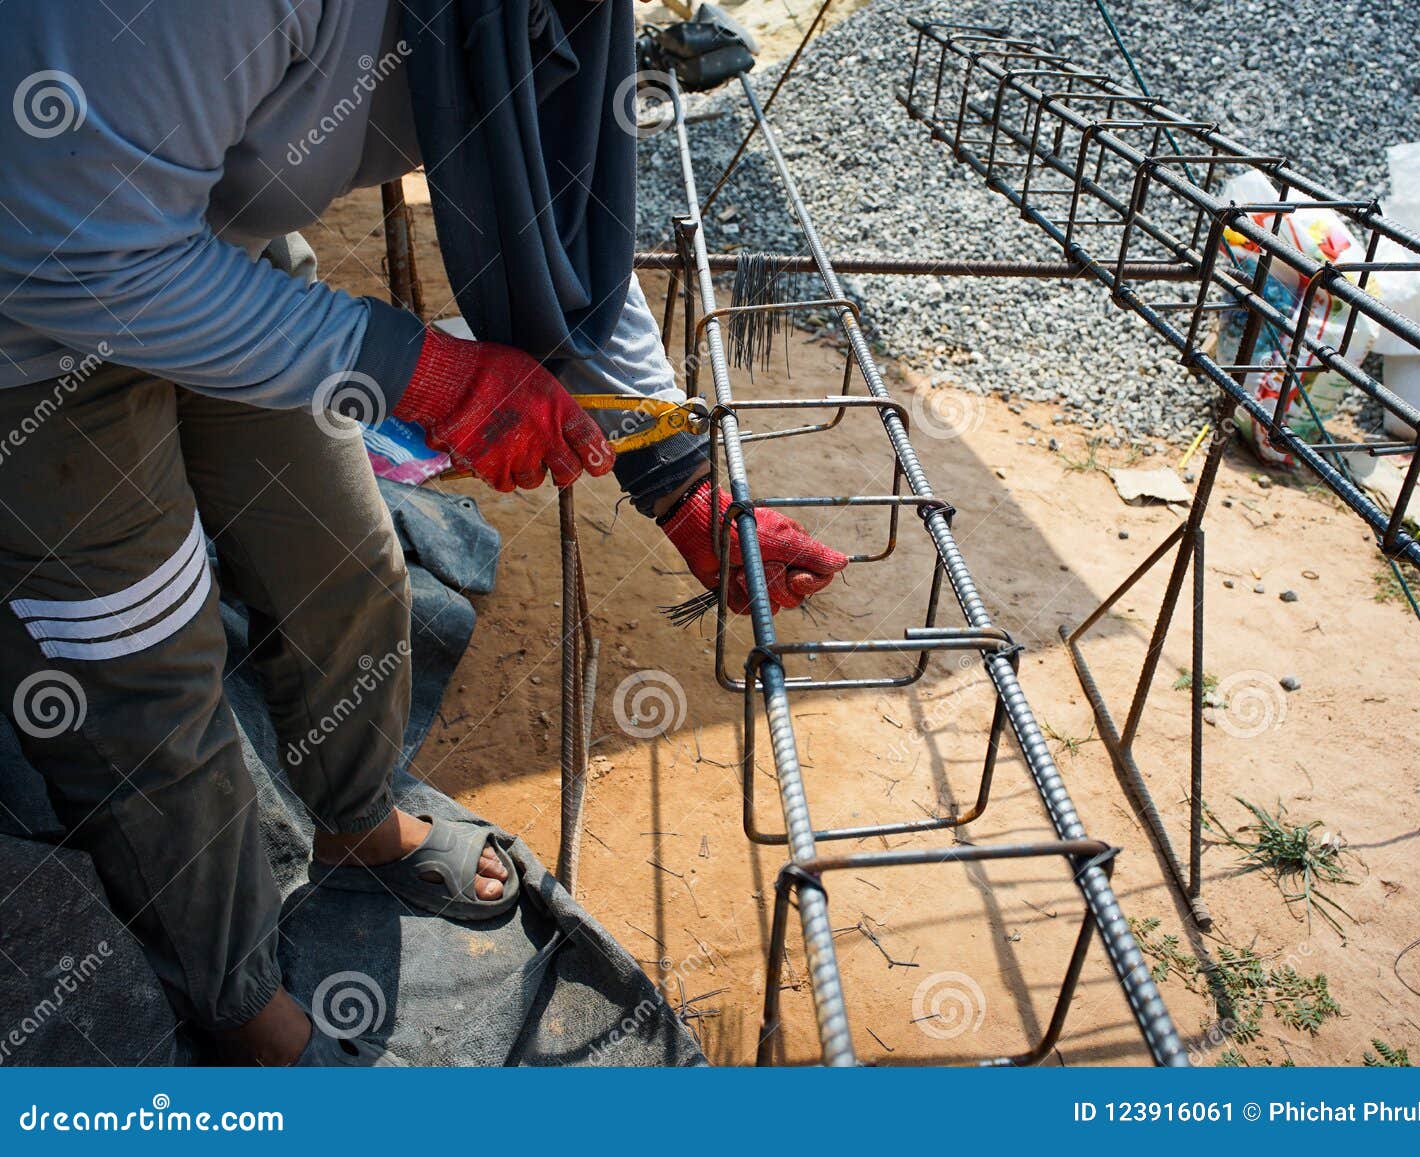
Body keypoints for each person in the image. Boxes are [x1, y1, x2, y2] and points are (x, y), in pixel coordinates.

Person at [0, 0, 846, 1065]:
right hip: (30, 306)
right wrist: (424, 372)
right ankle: (237, 1001)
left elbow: (560, 220)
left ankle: (352, 816)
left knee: (342, 562)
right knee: (145, 670)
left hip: (213, 245)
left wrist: (682, 486)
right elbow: (83, 251)